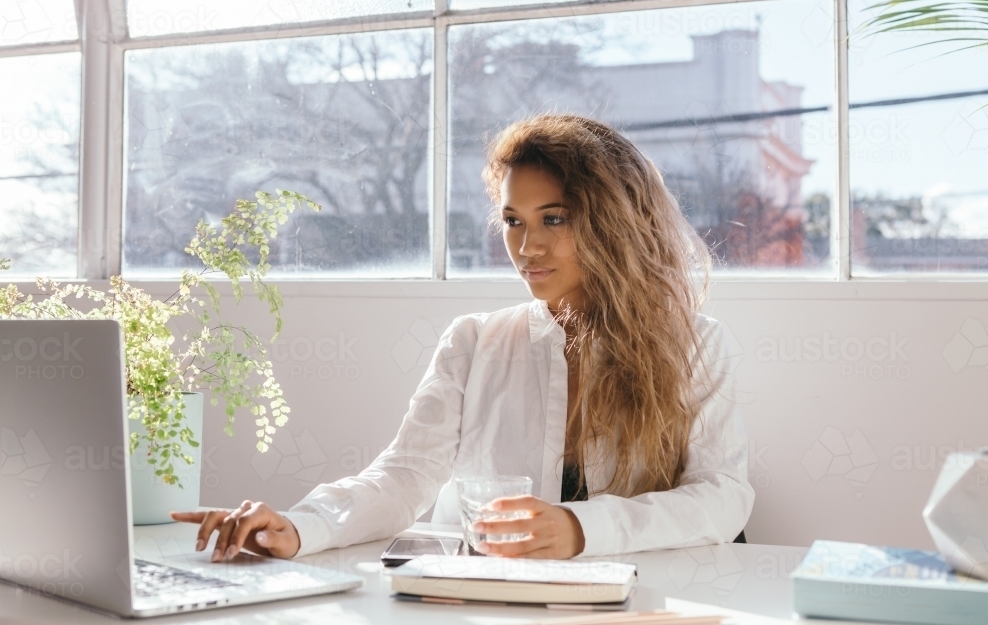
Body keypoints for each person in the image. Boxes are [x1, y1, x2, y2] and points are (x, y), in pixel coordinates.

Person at [172, 114, 754, 562]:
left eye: (554, 218)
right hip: (483, 599)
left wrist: (580, 528)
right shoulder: (474, 341)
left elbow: (723, 496)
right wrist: (300, 526)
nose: (527, 248)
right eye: (512, 221)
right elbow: (403, 478)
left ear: (614, 222)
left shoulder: (694, 347)